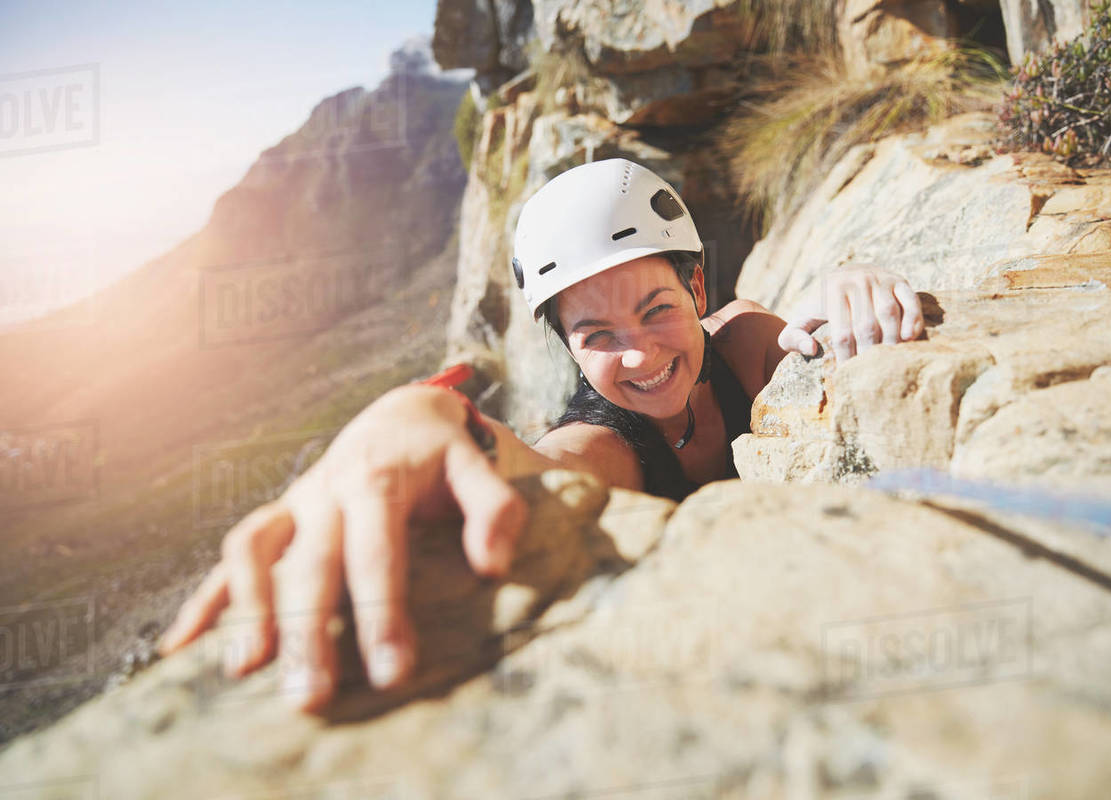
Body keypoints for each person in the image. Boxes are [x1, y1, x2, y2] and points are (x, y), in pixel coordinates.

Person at [158, 158, 924, 710]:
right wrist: (412, 414)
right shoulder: (605, 444)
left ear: (696, 285)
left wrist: (847, 282)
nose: (639, 353)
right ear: (563, 344)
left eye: (658, 309)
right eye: (595, 334)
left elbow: (803, 338)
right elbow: (533, 462)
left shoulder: (746, 341)